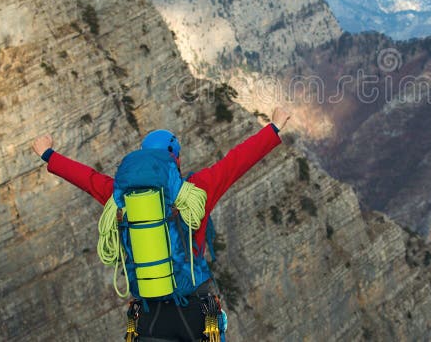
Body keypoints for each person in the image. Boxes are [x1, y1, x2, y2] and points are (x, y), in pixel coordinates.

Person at [31, 107, 291, 342]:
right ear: (175, 159)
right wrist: (274, 127)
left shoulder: (120, 198)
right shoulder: (196, 190)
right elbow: (236, 161)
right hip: (195, 312)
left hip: (148, 316)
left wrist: (48, 154)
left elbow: (87, 178)